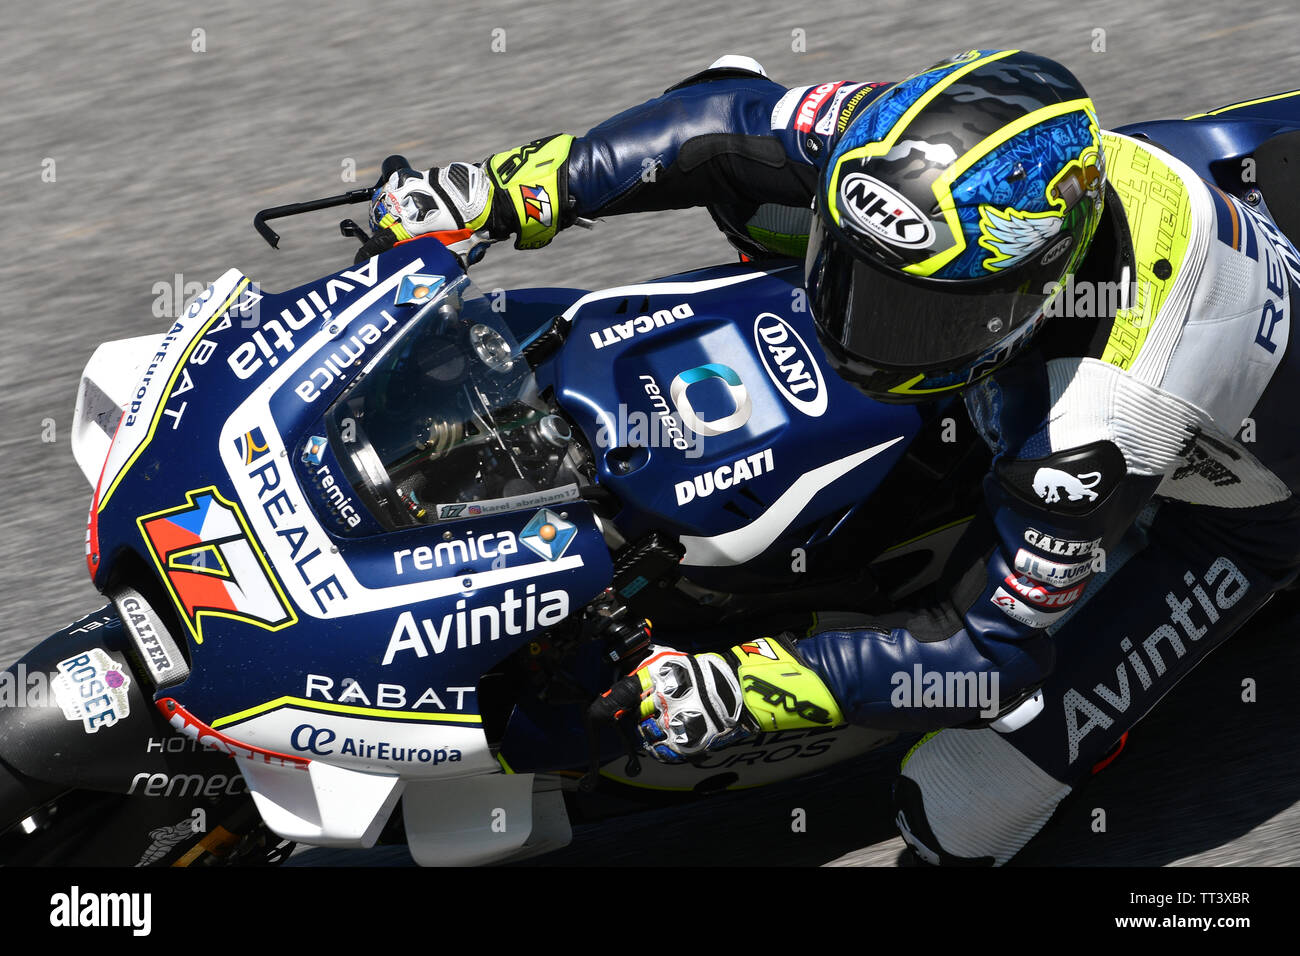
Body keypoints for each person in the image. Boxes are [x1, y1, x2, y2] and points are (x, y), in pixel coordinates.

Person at [364, 49, 1300, 865]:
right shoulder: (913, 150)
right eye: (854, 280)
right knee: (735, 130)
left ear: (1032, 290)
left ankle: (1116, 678)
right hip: (1186, 192)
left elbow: (986, 654)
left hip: (1228, 509)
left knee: (957, 811)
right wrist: (502, 189)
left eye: (917, 314)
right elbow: (719, 121)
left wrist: (740, 691)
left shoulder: (1103, 420)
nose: (859, 330)